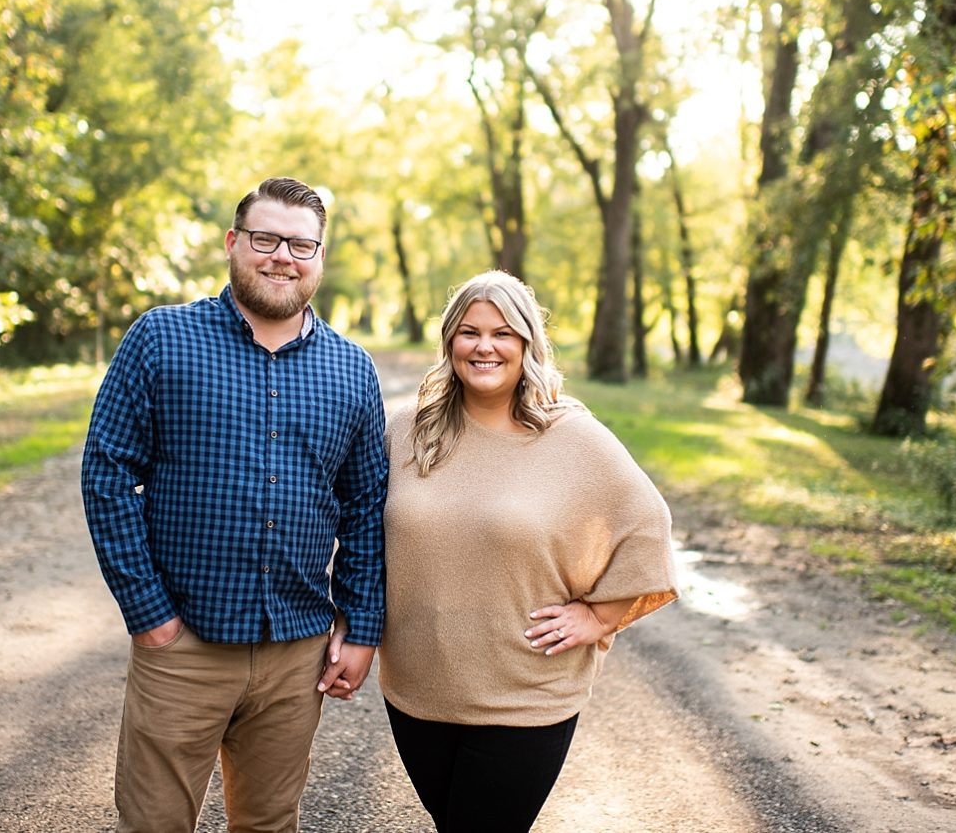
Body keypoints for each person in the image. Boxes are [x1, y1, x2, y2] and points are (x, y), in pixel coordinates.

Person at [80, 177, 388, 833]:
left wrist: (361, 627)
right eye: (266, 238)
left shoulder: (351, 370)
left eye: (302, 244)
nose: (284, 255)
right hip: (183, 643)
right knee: (153, 823)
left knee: (270, 824)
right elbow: (108, 477)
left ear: (320, 257)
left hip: (296, 652)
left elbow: (364, 506)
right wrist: (149, 615)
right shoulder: (162, 339)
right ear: (233, 243)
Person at [368, 270, 678, 832]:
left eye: (503, 333)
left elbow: (646, 523)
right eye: (469, 331)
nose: (484, 346)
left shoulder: (572, 437)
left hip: (526, 695)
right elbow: (364, 534)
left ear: (527, 344)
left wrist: (599, 615)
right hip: (417, 691)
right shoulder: (407, 431)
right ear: (449, 343)